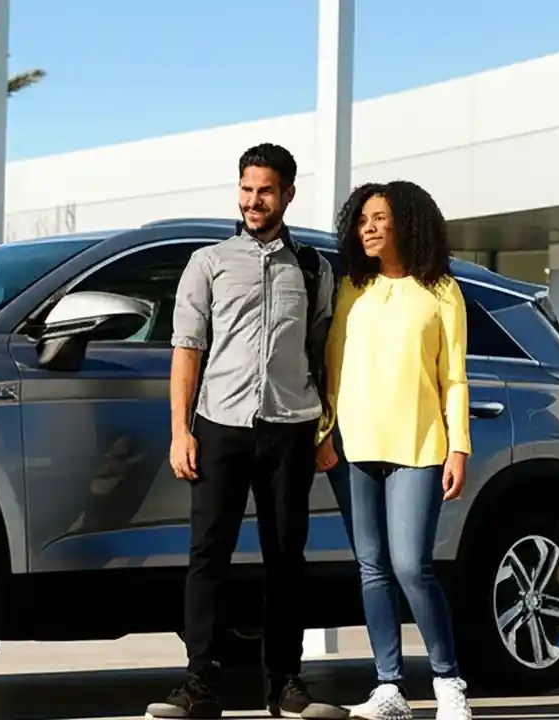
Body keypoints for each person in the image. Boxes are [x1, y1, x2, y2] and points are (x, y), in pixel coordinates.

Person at [147, 143, 346, 720]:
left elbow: (322, 355)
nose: (254, 201)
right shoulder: (208, 263)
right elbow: (187, 349)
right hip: (220, 427)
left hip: (290, 428)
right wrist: (180, 430)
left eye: (265, 191)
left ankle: (285, 684)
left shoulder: (312, 268)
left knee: (286, 557)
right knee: (208, 555)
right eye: (246, 189)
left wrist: (326, 431)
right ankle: (199, 685)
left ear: (288, 194)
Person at [315, 180, 473, 720]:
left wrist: (458, 448)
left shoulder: (441, 291)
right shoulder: (350, 290)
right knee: (372, 568)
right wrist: (323, 434)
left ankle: (448, 682)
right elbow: (331, 369)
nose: (369, 228)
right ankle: (389, 688)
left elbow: (454, 378)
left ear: (407, 221)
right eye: (362, 221)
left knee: (411, 565)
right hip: (353, 447)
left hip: (419, 446)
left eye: (379, 218)